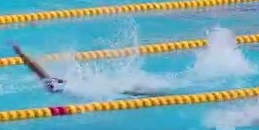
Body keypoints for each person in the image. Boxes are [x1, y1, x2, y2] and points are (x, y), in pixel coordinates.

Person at [12, 45, 160, 97]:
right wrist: (21, 54)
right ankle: (146, 90)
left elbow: (36, 68)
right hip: (88, 87)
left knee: (121, 91)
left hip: (89, 90)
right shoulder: (59, 84)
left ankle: (149, 92)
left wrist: (21, 54)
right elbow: (35, 68)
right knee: (120, 89)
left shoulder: (54, 85)